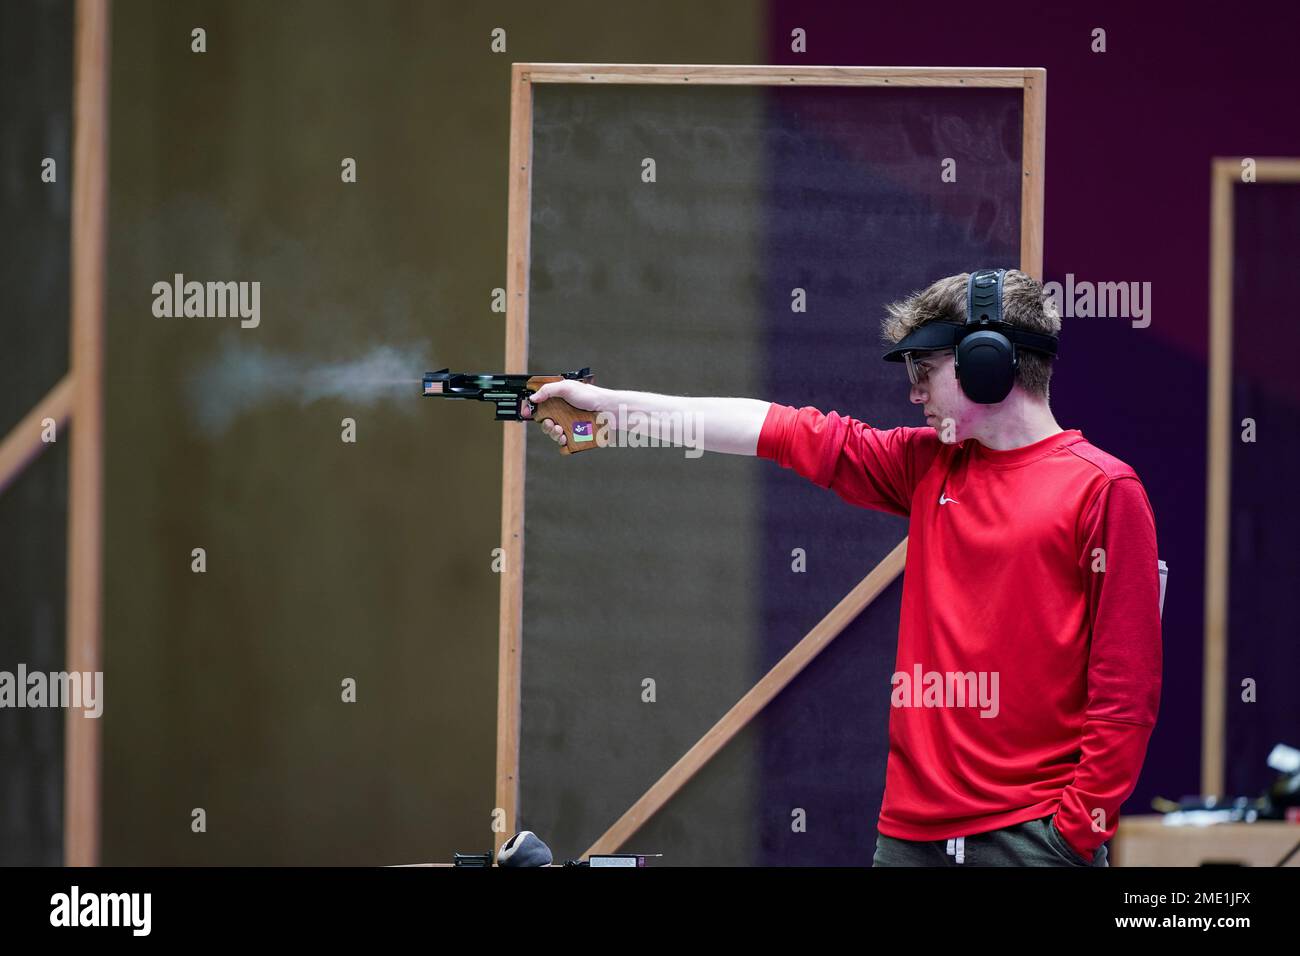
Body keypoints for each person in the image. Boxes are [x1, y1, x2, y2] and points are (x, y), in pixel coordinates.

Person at [522, 269, 1162, 867]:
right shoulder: (927, 465)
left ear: (987, 364)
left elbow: (1125, 694)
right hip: (910, 838)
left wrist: (1074, 835)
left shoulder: (1104, 491)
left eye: (925, 369)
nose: (913, 392)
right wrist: (609, 407)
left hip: (1032, 843)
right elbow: (771, 427)